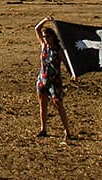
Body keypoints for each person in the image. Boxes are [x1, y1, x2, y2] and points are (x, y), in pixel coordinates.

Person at [34, 15, 73, 143]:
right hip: (42, 79)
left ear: (53, 37)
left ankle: (67, 130)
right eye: (44, 37)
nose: (45, 39)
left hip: (54, 81)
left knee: (58, 105)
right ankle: (43, 129)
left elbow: (67, 64)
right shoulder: (43, 46)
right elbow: (37, 29)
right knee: (42, 105)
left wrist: (73, 74)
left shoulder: (58, 50)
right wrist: (45, 20)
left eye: (48, 37)